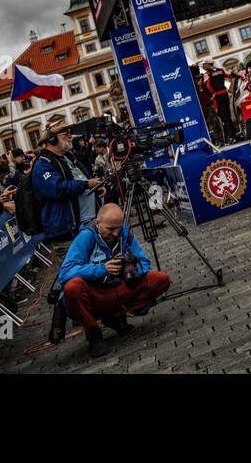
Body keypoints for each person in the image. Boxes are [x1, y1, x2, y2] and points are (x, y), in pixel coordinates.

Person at [58, 203, 171, 358]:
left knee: (161, 279)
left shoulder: (125, 234)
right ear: (98, 224)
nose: (116, 233)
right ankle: (94, 334)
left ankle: (116, 315)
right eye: (110, 229)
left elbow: (145, 262)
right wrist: (102, 269)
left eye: (118, 227)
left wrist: (131, 269)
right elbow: (65, 273)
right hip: (95, 294)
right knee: (72, 287)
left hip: (118, 287)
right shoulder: (86, 236)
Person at [31, 130, 101, 244]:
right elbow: (57, 189)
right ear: (52, 140)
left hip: (89, 224)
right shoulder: (43, 164)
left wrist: (96, 188)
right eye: (65, 134)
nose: (70, 136)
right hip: (68, 232)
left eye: (70, 133)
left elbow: (83, 177)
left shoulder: (68, 157)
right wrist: (86, 185)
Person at [200, 61, 237, 141]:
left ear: (208, 64)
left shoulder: (208, 73)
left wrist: (211, 95)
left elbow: (207, 85)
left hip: (217, 97)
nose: (203, 66)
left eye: (204, 65)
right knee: (228, 116)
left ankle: (231, 137)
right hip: (225, 94)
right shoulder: (221, 70)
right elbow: (231, 75)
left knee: (224, 118)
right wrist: (232, 86)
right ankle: (234, 135)